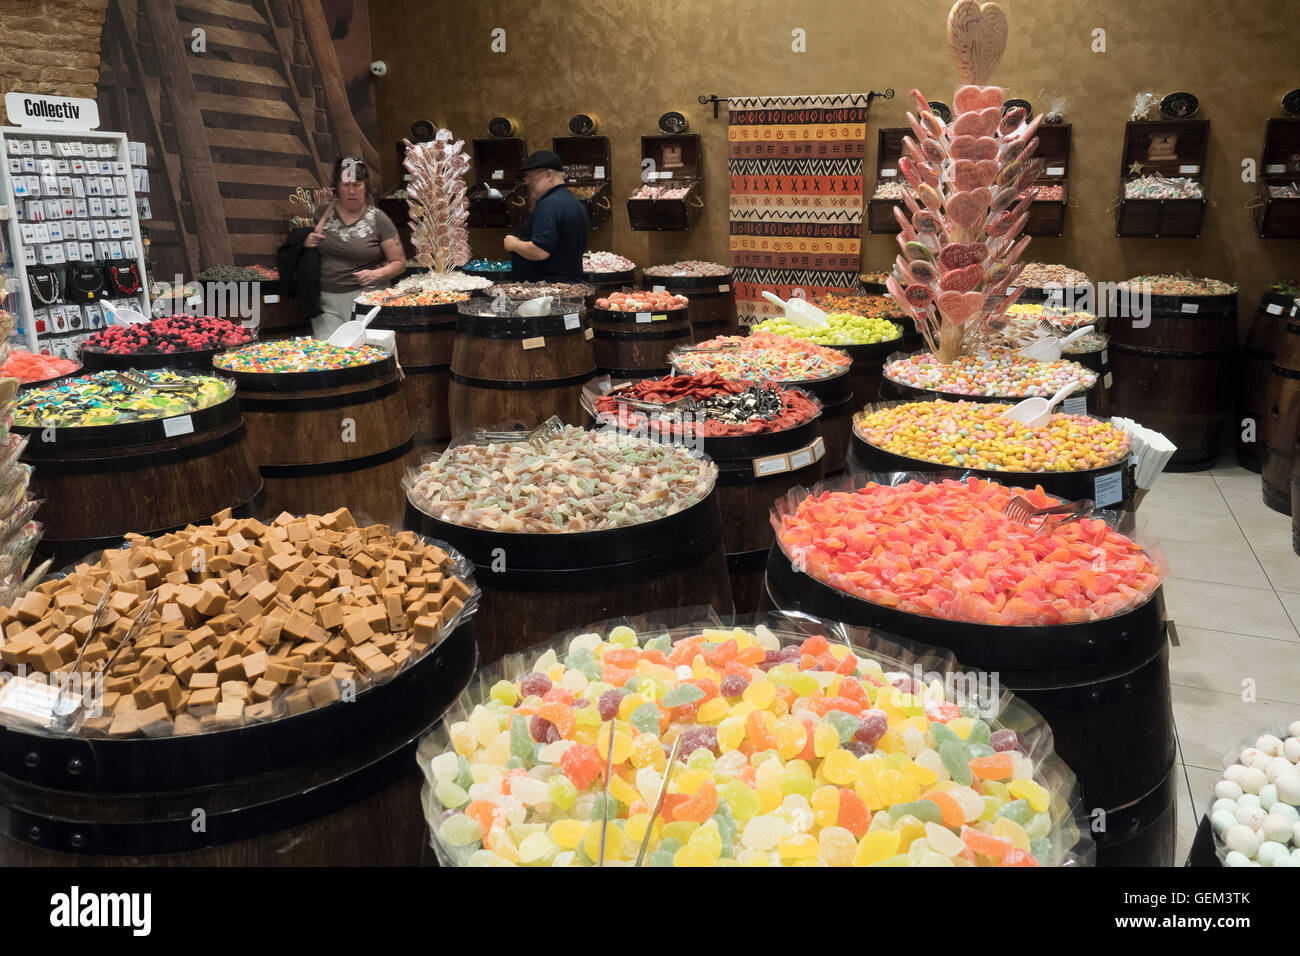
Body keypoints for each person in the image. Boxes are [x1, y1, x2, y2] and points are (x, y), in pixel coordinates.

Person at [303, 157, 405, 338]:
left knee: (367, 353)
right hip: (326, 301)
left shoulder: (378, 219)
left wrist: (376, 274)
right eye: (345, 185)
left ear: (365, 187)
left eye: (357, 185)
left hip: (366, 299)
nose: (351, 191)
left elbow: (399, 263)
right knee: (330, 355)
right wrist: (306, 241)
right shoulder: (323, 213)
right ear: (337, 187)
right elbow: (313, 251)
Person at [504, 151, 587, 282]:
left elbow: (540, 250)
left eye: (530, 176)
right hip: (569, 286)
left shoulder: (548, 205)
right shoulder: (574, 202)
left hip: (546, 292)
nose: (526, 181)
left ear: (549, 175)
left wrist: (513, 244)